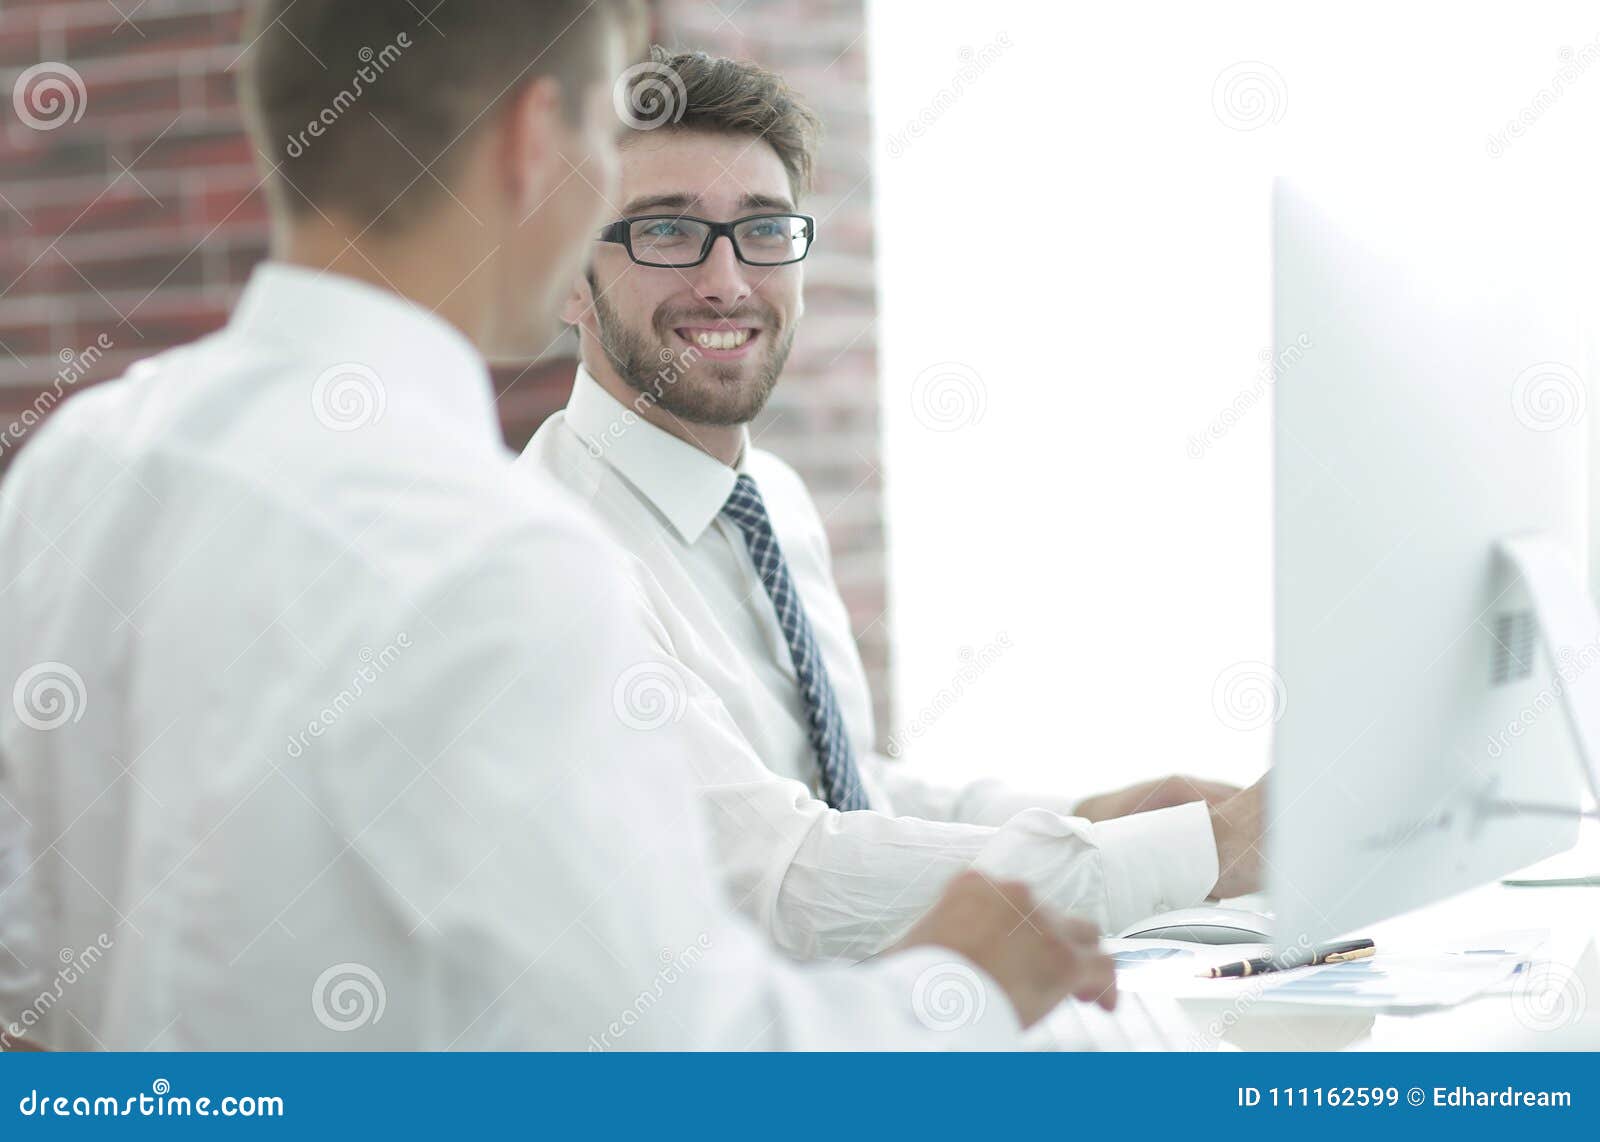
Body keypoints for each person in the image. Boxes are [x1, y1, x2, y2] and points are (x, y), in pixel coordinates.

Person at [0, 1, 1115, 1050]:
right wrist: (960, 982)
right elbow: (680, 1065)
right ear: (540, 137)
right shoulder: (504, 555)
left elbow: (22, 969)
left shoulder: (79, 461)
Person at [518, 47, 1269, 962]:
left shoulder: (771, 503)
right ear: (565, 278)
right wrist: (1207, 853)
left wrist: (1095, 816)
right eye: (667, 233)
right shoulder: (553, 553)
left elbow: (846, 796)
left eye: (763, 230)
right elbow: (786, 878)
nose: (726, 281)